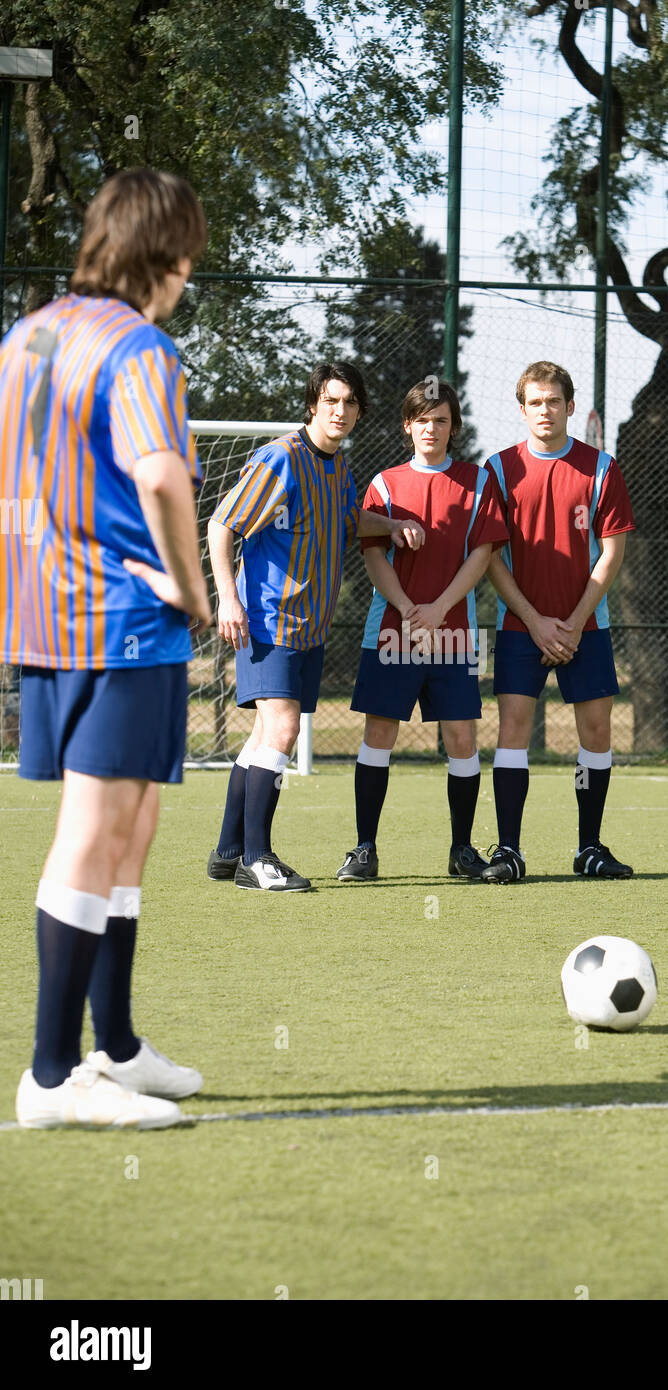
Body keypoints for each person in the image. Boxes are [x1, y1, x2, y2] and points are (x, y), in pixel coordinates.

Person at [1, 168, 211, 1129]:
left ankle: (116, 1045)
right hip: (121, 621)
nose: (185, 279)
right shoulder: (139, 350)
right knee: (95, 830)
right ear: (163, 258)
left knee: (132, 825)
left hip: (43, 615)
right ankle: (51, 1079)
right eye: (186, 262)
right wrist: (190, 584)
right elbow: (164, 482)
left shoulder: (26, 335)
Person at [206, 362, 424, 891]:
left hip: (309, 627)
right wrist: (228, 600)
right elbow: (221, 523)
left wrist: (391, 525)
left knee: (262, 736)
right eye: (330, 400)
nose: (340, 411)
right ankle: (257, 860)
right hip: (269, 619)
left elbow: (350, 519)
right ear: (312, 405)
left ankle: (229, 849)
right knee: (282, 729)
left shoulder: (336, 467)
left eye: (349, 403)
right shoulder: (282, 458)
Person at [336, 380, 508, 883]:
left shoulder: (477, 482)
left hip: (452, 633)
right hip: (392, 631)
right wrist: (411, 608)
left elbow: (482, 554)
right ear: (407, 425)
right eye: (422, 419)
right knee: (379, 734)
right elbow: (372, 555)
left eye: (442, 420)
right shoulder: (385, 484)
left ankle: (462, 850)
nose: (431, 429)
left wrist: (440, 608)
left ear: (453, 427)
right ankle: (364, 849)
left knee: (460, 736)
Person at [481, 362, 635, 884]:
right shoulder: (498, 470)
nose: (544, 411)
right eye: (534, 402)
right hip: (521, 627)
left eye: (553, 401)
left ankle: (589, 848)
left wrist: (570, 622)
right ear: (521, 410)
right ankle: (508, 852)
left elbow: (612, 553)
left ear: (570, 406)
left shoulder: (601, 467)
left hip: (586, 626)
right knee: (513, 731)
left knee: (596, 731)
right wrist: (536, 621)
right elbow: (491, 557)